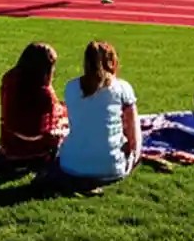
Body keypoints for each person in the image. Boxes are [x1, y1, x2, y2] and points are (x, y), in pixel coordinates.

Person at [58, 41, 140, 186]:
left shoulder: (71, 87)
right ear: (112, 62)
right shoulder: (122, 87)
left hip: (70, 164)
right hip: (111, 167)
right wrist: (134, 154)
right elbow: (134, 133)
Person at [0, 43, 67, 164]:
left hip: (9, 144)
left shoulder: (9, 80)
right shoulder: (45, 93)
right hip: (35, 148)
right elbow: (51, 124)